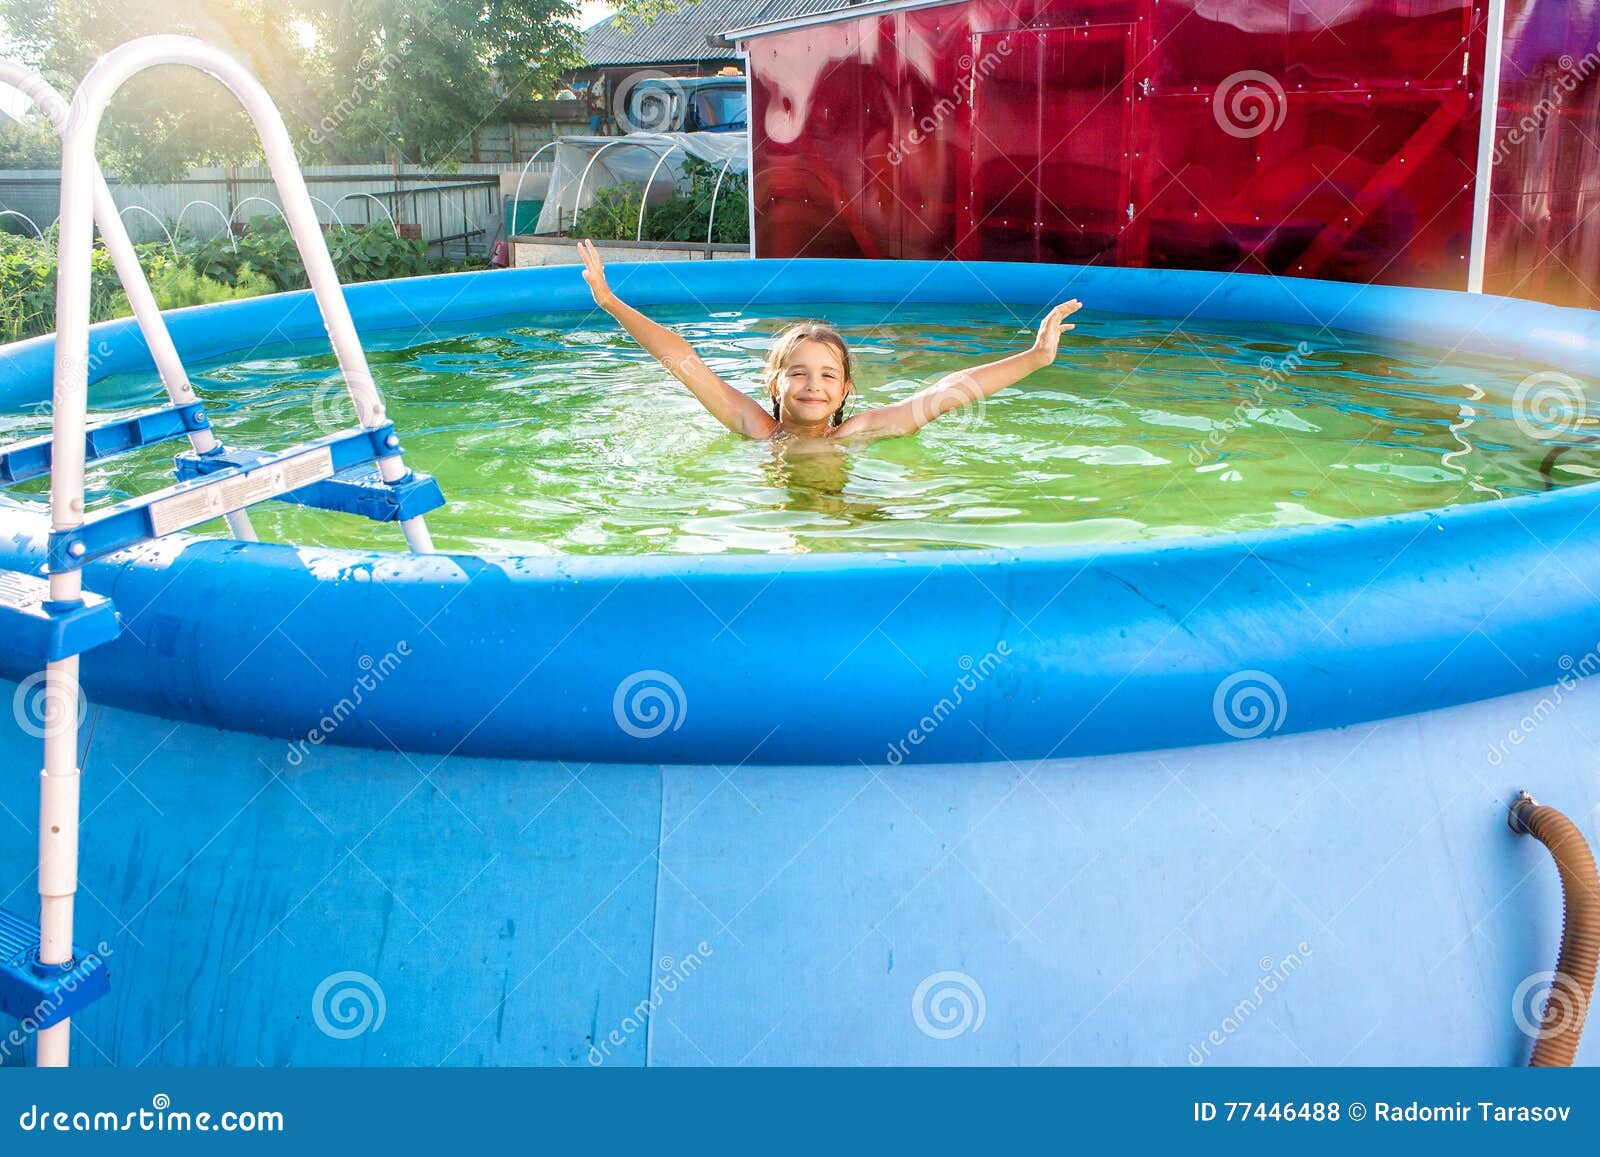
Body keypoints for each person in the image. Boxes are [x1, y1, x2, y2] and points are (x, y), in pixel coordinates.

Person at [576, 238, 1082, 442]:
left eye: (827, 375)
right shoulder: (757, 428)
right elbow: (684, 361)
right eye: (797, 372)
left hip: (853, 515)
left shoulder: (857, 433)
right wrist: (610, 303)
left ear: (843, 391)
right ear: (774, 384)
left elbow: (949, 391)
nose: (812, 385)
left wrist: (1037, 357)